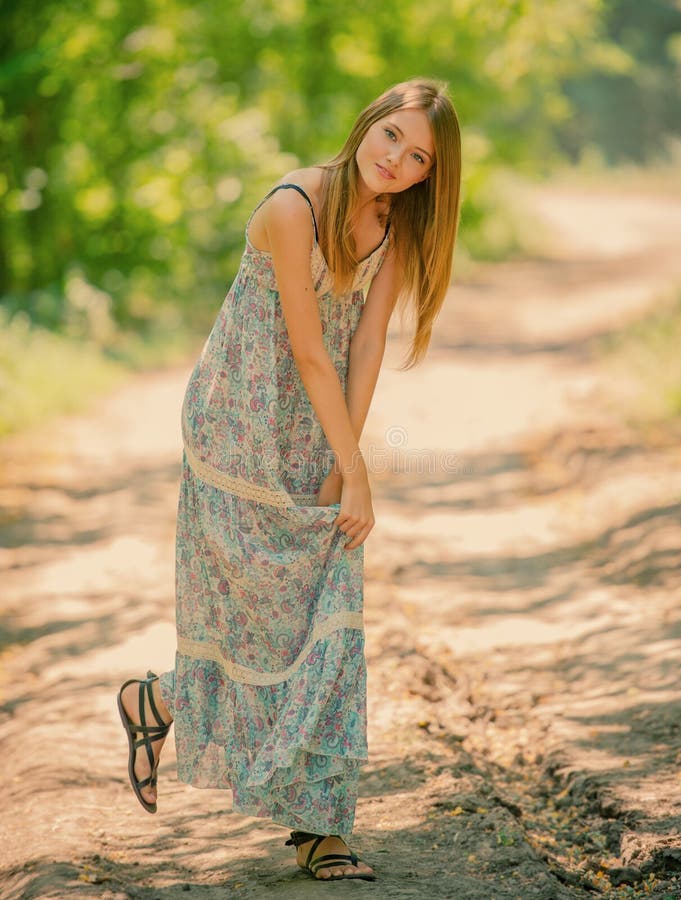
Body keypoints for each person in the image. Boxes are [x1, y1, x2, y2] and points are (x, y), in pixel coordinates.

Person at [117, 77, 461, 883]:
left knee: (328, 613)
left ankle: (314, 821)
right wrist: (359, 473)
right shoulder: (292, 207)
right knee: (261, 616)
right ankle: (167, 706)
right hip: (238, 422)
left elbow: (365, 342)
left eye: (418, 159)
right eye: (391, 139)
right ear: (367, 122)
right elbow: (308, 350)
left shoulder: (396, 225)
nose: (397, 163)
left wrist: (344, 456)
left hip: (316, 426)